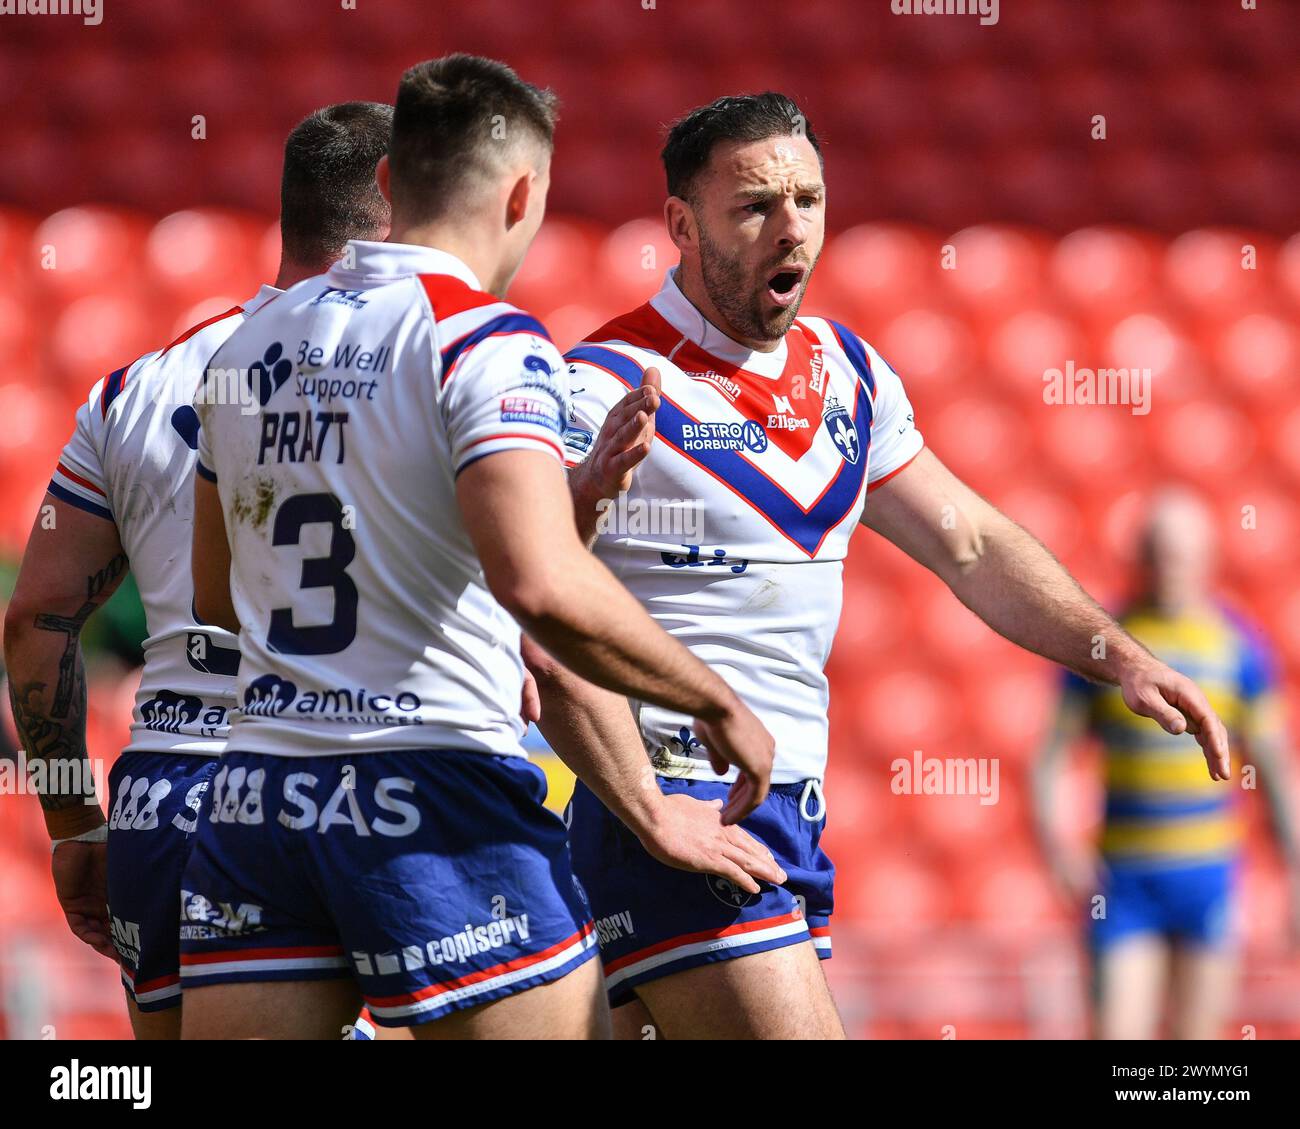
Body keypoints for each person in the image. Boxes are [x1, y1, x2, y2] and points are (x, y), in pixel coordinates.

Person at [532, 92, 1232, 1039]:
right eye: (754, 207)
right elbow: (533, 599)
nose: (793, 229)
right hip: (683, 809)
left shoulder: (849, 375)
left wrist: (1118, 652)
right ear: (681, 227)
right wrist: (649, 806)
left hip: (786, 814)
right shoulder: (603, 383)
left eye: (809, 200)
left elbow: (970, 543)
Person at [180, 54, 777, 1041]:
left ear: (386, 182)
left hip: (259, 799)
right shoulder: (485, 342)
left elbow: (215, 593)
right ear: (522, 193)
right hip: (428, 794)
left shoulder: (245, 345)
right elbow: (540, 587)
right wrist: (713, 699)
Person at [2, 101, 395, 1040]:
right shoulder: (418, 365)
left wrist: (74, 827)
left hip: (166, 790)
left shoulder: (136, 387)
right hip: (352, 784)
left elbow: (38, 617)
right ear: (398, 204)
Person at [1033, 487, 1299, 1039]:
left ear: (1207, 558)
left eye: (1179, 553)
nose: (1168, 567)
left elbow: (1273, 767)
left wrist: (1295, 870)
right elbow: (1052, 756)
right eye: (1156, 552)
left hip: (1209, 878)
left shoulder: (1237, 646)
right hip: (1125, 883)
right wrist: (1059, 846)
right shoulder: (1108, 646)